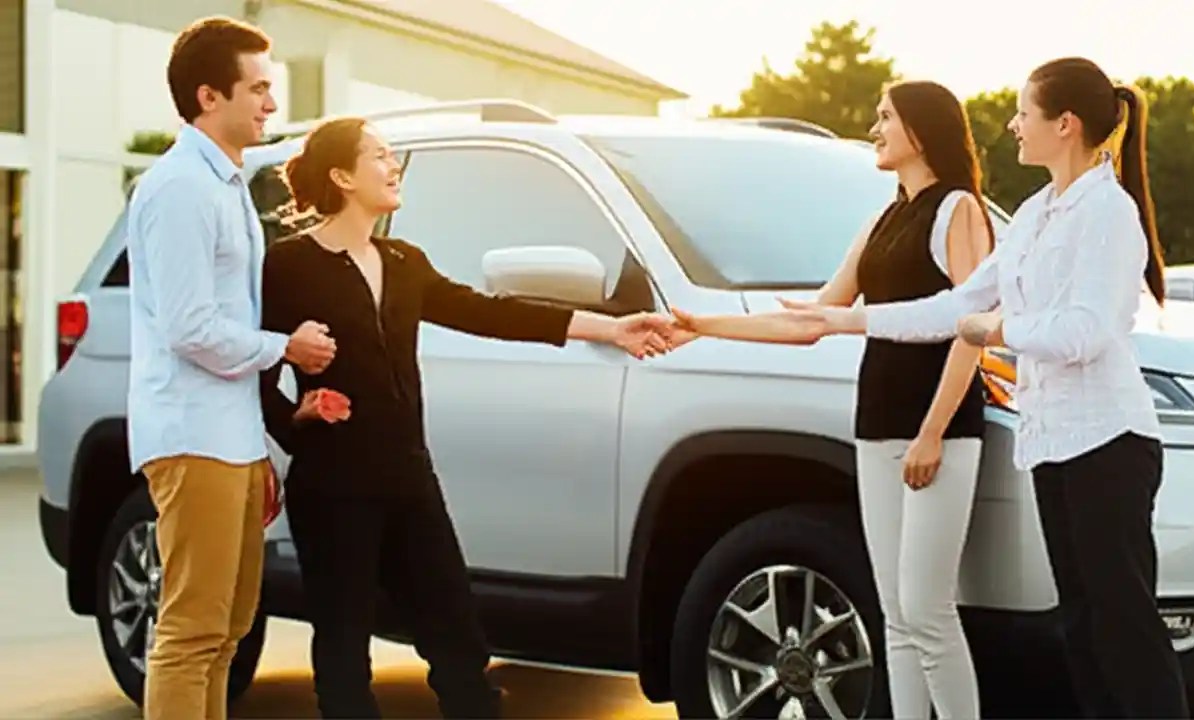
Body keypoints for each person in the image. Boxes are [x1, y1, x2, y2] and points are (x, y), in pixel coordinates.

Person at [772, 57, 1190, 718]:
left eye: (1023, 113)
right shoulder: (1033, 214)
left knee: (1125, 629)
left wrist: (993, 329)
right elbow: (954, 305)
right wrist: (846, 318)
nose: (1012, 125)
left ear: (1066, 124)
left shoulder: (1107, 213)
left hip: (1108, 444)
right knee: (1080, 629)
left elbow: (1085, 332)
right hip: (1051, 447)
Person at [258, 116, 671, 719]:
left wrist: (610, 326)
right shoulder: (289, 264)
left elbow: (489, 313)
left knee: (456, 638)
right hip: (332, 488)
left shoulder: (403, 259)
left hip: (409, 480)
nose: (392, 165)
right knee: (344, 650)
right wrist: (296, 414)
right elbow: (257, 366)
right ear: (342, 175)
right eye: (378, 155)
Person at [670, 80, 994, 718]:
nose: (875, 129)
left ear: (920, 132)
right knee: (896, 615)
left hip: (942, 434)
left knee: (929, 613)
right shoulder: (880, 220)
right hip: (876, 428)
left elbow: (973, 324)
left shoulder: (958, 209)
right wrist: (700, 326)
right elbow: (812, 320)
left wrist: (932, 431)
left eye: (884, 118)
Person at [126, 16, 337, 720]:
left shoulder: (226, 185)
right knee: (191, 635)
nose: (271, 104)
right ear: (209, 96)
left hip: (231, 439)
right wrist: (286, 347)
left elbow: (225, 321)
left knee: (226, 634)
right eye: (258, 89)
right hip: (192, 438)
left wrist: (258, 450)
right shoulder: (180, 188)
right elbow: (191, 328)